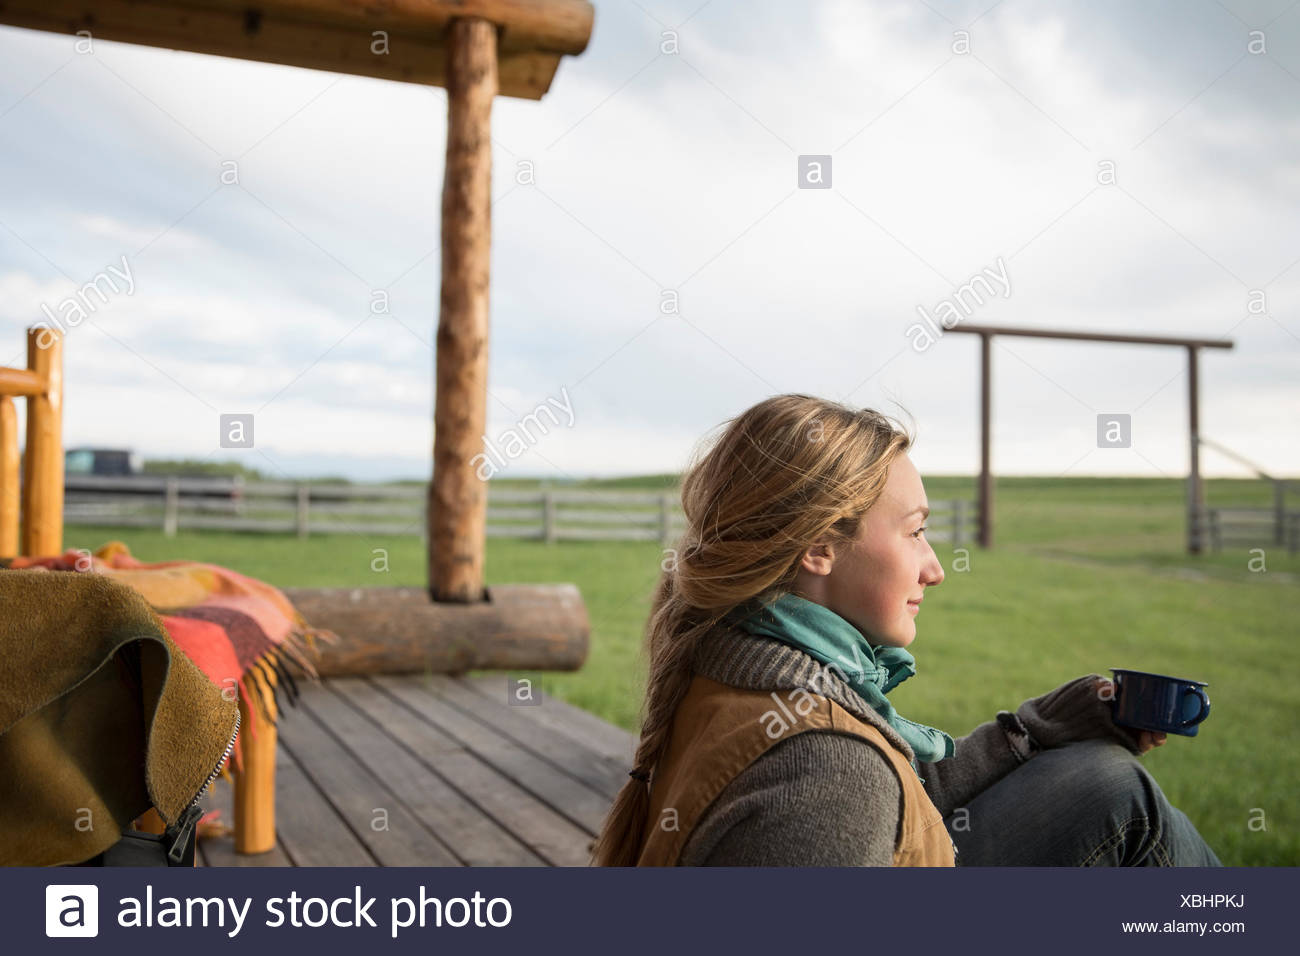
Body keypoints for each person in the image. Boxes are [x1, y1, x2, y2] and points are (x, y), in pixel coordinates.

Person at [589, 394, 1221, 867]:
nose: (935, 568)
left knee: (1105, 784)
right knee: (1124, 802)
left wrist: (1031, 733)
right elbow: (857, 792)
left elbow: (900, 801)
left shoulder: (735, 655)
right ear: (818, 547)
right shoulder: (827, 768)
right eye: (915, 531)